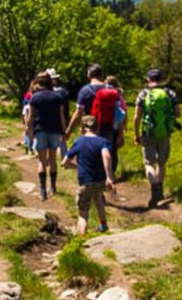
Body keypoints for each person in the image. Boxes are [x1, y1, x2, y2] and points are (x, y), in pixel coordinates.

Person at [133, 68, 180, 209]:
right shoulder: (169, 93)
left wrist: (136, 134)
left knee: (148, 164)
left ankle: (154, 187)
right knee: (161, 163)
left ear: (148, 79)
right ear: (161, 79)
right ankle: (159, 189)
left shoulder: (143, 94)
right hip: (165, 133)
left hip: (148, 133)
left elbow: (137, 117)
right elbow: (178, 113)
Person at [63, 115, 116, 234]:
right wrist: (109, 176)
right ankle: (103, 225)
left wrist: (75, 166)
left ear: (82, 129)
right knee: (98, 199)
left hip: (85, 182)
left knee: (83, 214)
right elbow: (106, 155)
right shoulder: (102, 141)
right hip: (100, 181)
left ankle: (81, 240)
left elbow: (65, 162)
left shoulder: (79, 141)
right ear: (97, 129)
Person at [25, 70, 70, 199]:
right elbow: (61, 116)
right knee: (53, 160)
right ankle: (53, 187)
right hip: (55, 131)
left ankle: (43, 189)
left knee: (42, 161)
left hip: (40, 130)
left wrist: (29, 132)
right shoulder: (57, 97)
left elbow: (30, 118)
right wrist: (64, 130)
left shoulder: (35, 97)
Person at [66, 64, 108, 140]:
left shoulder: (85, 91)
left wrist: (69, 130)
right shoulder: (110, 88)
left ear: (89, 75)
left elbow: (78, 113)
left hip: (89, 128)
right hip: (108, 127)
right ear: (102, 75)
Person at [102, 75, 127, 175]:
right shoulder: (119, 95)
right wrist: (124, 127)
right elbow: (123, 112)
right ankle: (112, 172)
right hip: (116, 125)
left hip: (103, 123)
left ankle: (104, 173)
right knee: (113, 149)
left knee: (104, 148)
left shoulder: (102, 93)